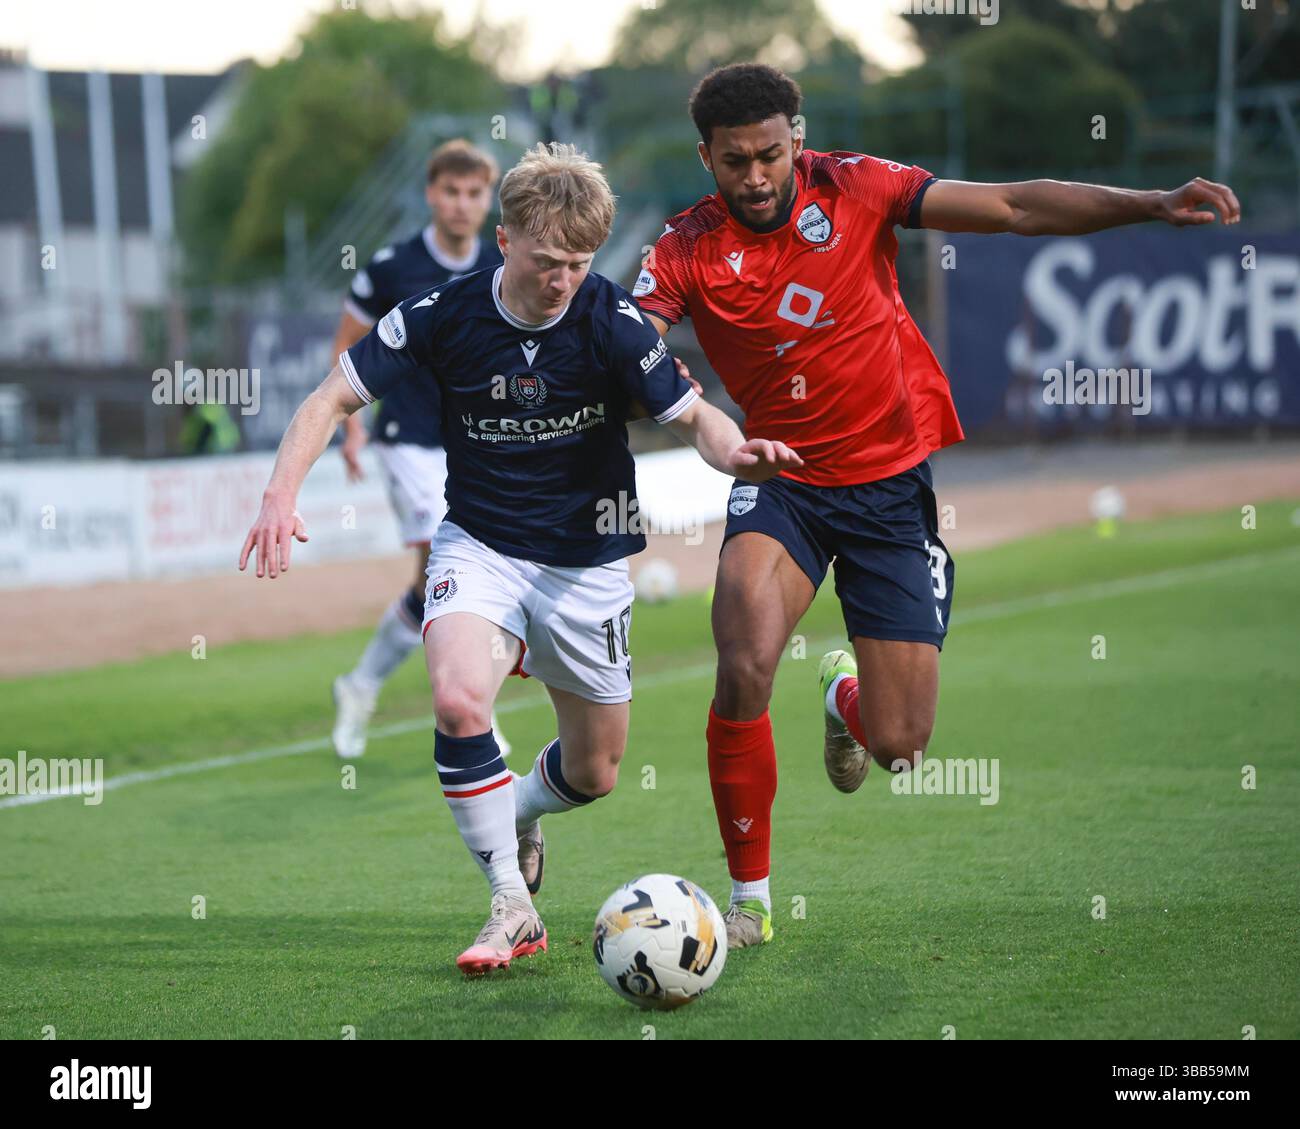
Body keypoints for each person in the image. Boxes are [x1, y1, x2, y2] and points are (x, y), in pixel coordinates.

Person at [633, 62, 1241, 948]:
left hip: (887, 487)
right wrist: (667, 394)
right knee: (744, 656)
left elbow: (1013, 209)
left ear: (796, 138)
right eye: (735, 162)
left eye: (769, 154)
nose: (755, 176)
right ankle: (749, 898)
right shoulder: (685, 247)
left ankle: (846, 701)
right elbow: (634, 345)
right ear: (707, 158)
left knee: (902, 746)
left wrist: (1147, 202)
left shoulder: (861, 187)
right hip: (782, 481)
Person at [238, 142, 801, 975]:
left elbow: (693, 416)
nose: (563, 278)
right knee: (461, 701)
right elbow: (331, 395)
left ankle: (523, 810)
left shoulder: (609, 319)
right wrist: (280, 494)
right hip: (482, 544)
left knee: (598, 768)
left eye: (578, 262)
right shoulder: (441, 312)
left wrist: (738, 452)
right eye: (547, 261)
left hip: (588, 563)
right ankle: (510, 900)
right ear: (505, 241)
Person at [330, 139, 508, 760]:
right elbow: (349, 345)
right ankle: (471, 706)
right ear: (432, 194)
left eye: (473, 193)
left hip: (477, 441)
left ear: (489, 199)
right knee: (451, 561)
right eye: (450, 192)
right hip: (407, 435)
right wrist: (350, 425)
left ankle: (359, 685)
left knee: (443, 578)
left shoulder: (501, 263)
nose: (461, 204)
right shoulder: (391, 266)